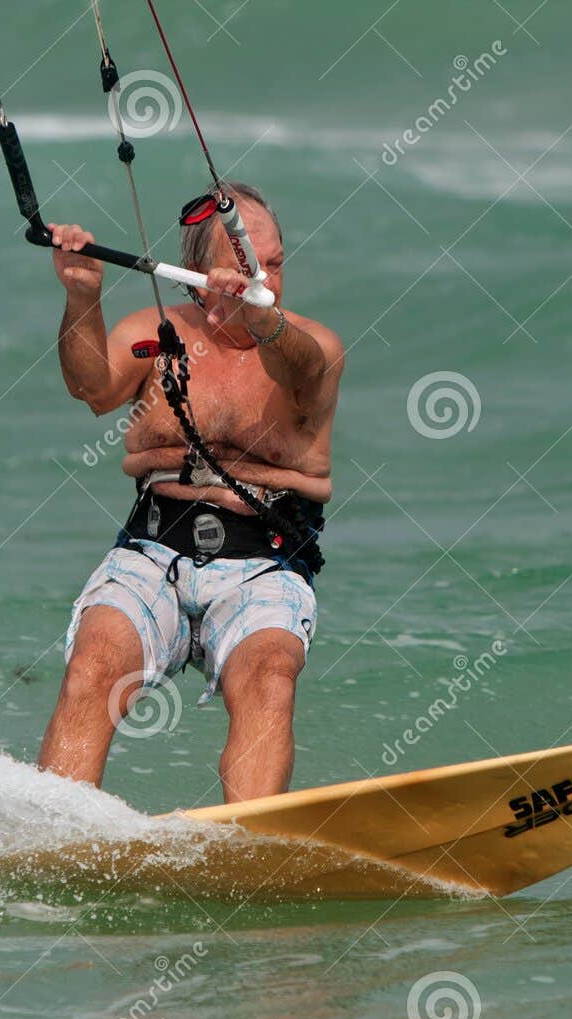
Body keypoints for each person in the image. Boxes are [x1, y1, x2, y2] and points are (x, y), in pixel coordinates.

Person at [36, 181, 345, 803]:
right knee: (95, 661)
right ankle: (55, 836)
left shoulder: (312, 346)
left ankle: (251, 843)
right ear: (198, 275)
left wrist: (263, 321)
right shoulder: (156, 331)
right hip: (153, 547)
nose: (266, 279)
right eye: (245, 266)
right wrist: (82, 298)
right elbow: (92, 389)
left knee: (269, 676)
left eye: (274, 264)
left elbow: (299, 364)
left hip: (267, 556)